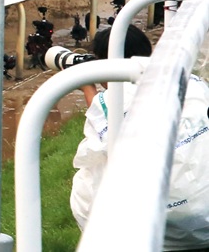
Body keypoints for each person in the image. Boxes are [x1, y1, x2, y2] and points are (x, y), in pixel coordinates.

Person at [70, 24, 209, 249]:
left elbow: (107, 134)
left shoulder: (110, 99)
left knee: (87, 178)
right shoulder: (190, 82)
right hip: (204, 217)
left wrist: (89, 88)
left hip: (162, 222)